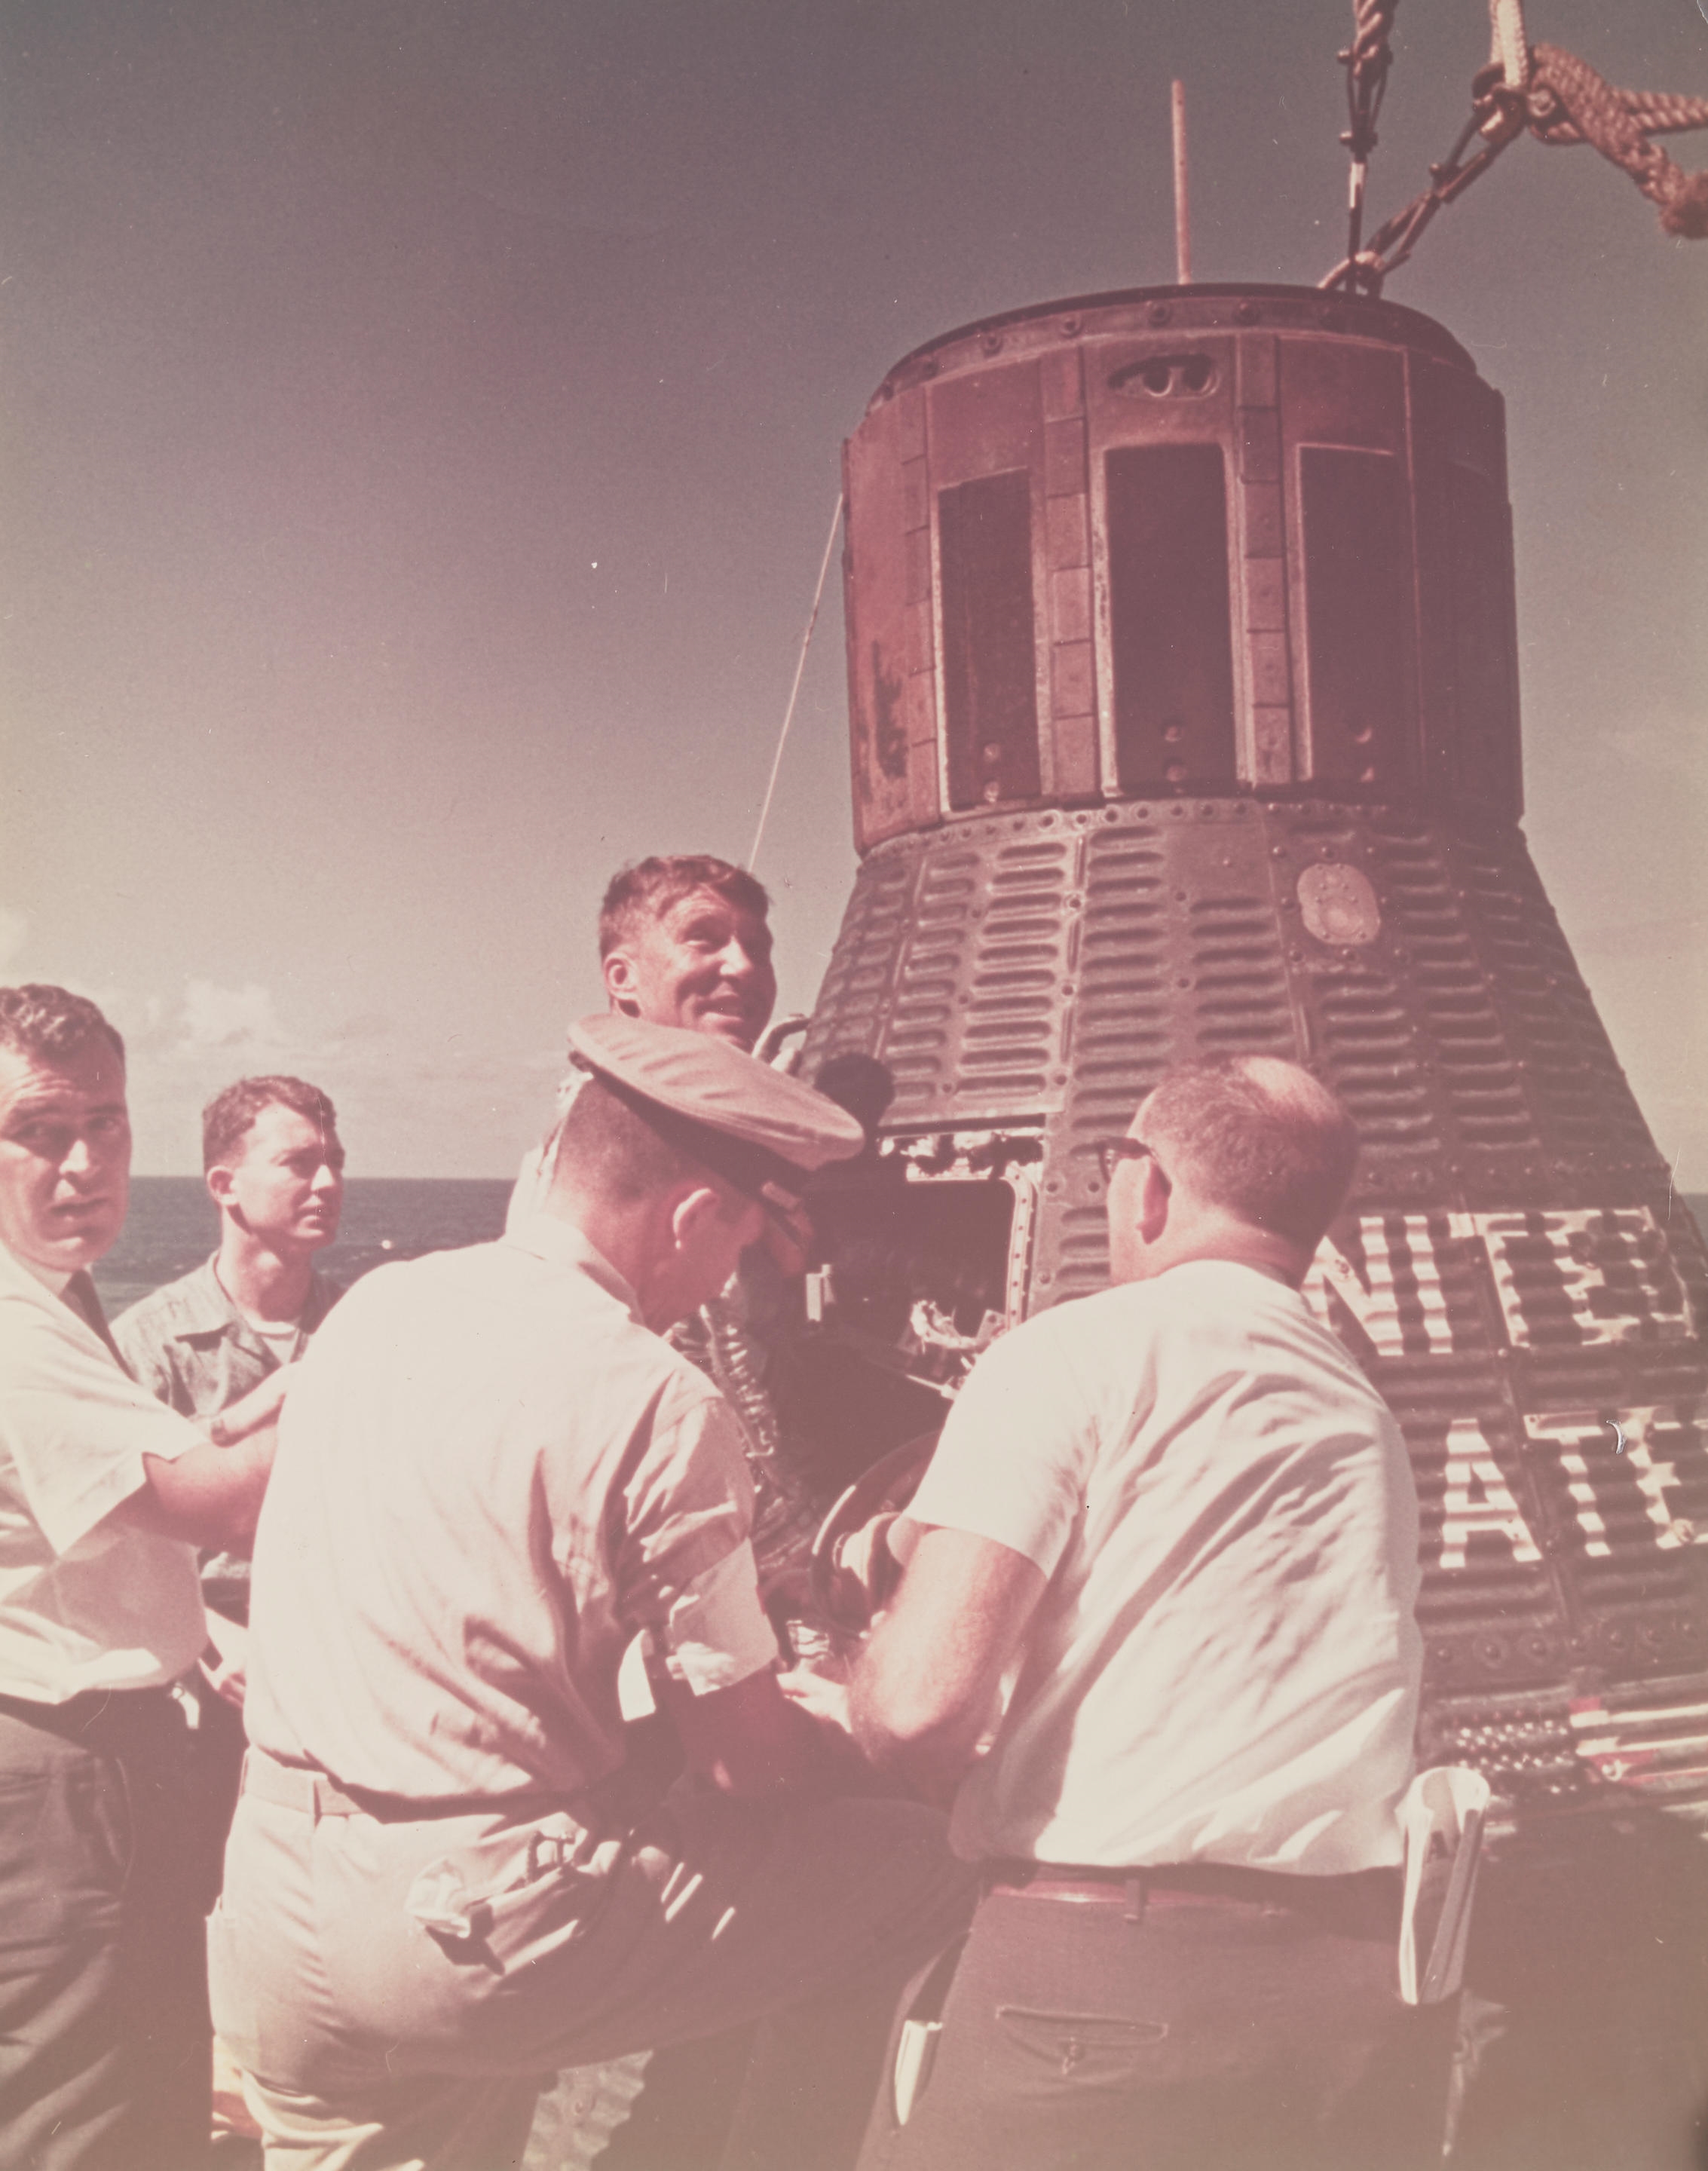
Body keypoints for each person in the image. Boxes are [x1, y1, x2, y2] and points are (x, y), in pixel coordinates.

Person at [210, 1015, 975, 2171]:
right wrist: (860, 1726)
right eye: (739, 1241)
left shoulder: (378, 1304)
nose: (728, 1278)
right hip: (465, 1934)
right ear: (692, 1216)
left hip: (273, 1910)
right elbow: (747, 1768)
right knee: (926, 1874)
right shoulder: (656, 1397)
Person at [849, 1054, 1447, 2171]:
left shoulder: (1070, 1354)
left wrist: (873, 1691)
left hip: (1097, 1992)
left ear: (1152, 1188)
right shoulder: (1361, 1412)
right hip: (1346, 2000)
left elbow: (919, 1705)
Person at [0, 983, 277, 2171]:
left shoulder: (53, 1295)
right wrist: (375, 1359)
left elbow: (128, 1483)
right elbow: (214, 1501)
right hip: (66, 1774)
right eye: (38, 1130)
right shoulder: (16, 1322)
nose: (83, 1163)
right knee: (84, 2120)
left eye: (104, 1123)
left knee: (141, 2104)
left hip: (99, 1756)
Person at [115, 1073, 344, 1440]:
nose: (329, 1182)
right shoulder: (148, 1344)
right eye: (299, 1163)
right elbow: (117, 1469)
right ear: (224, 1186)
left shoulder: (359, 1324)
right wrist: (235, 1421)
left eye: (335, 1162)